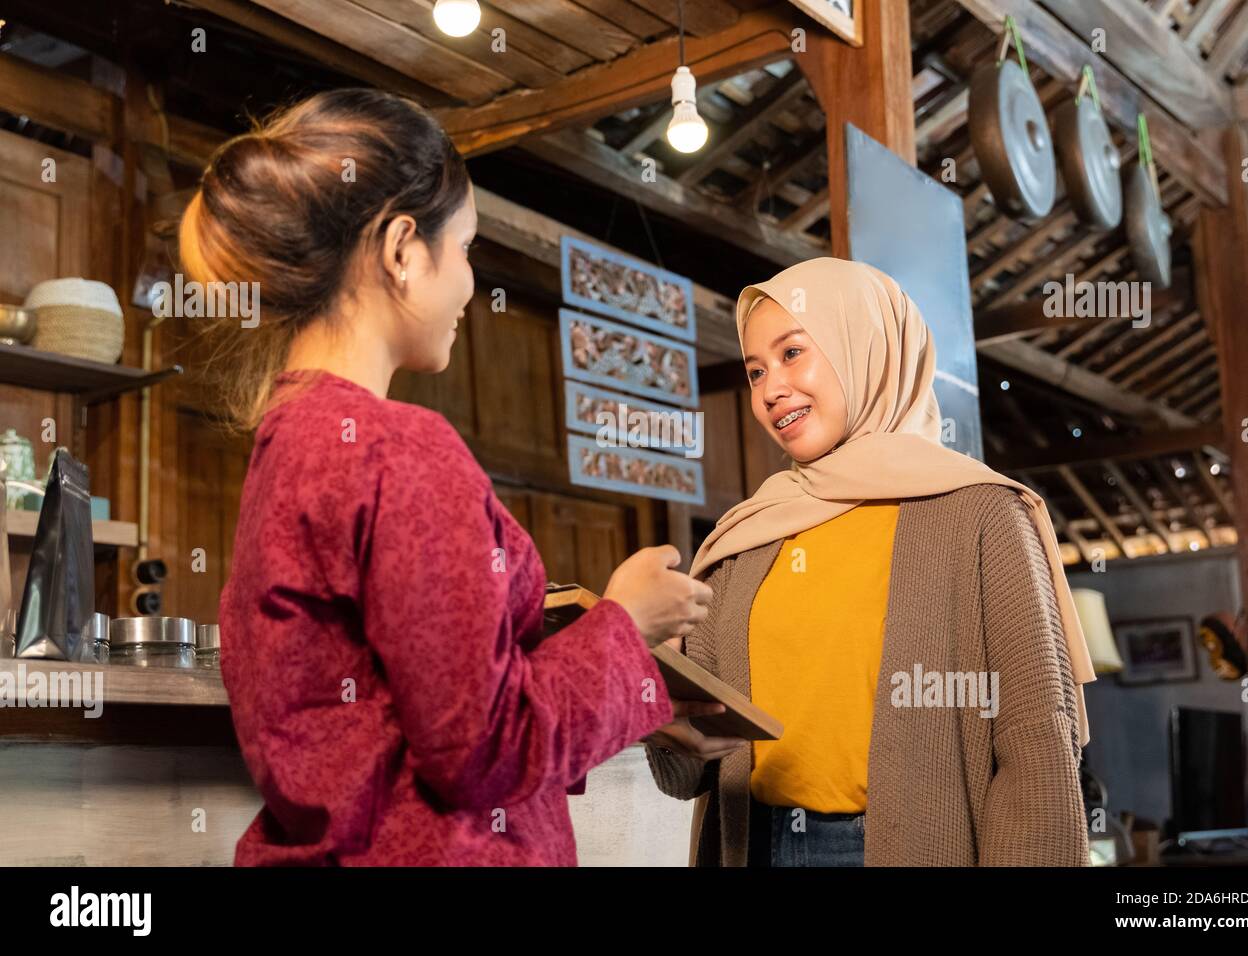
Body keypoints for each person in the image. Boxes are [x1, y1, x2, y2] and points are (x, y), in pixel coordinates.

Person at [179, 88, 714, 865]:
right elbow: (483, 752)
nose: (469, 285)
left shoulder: (286, 440)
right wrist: (625, 628)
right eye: (463, 249)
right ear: (402, 249)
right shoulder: (396, 448)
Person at [643, 257, 1096, 866]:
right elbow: (690, 770)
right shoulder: (746, 537)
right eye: (755, 370)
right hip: (758, 845)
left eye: (792, 353)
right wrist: (645, 684)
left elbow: (1036, 748)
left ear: (868, 346)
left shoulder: (981, 515)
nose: (771, 388)